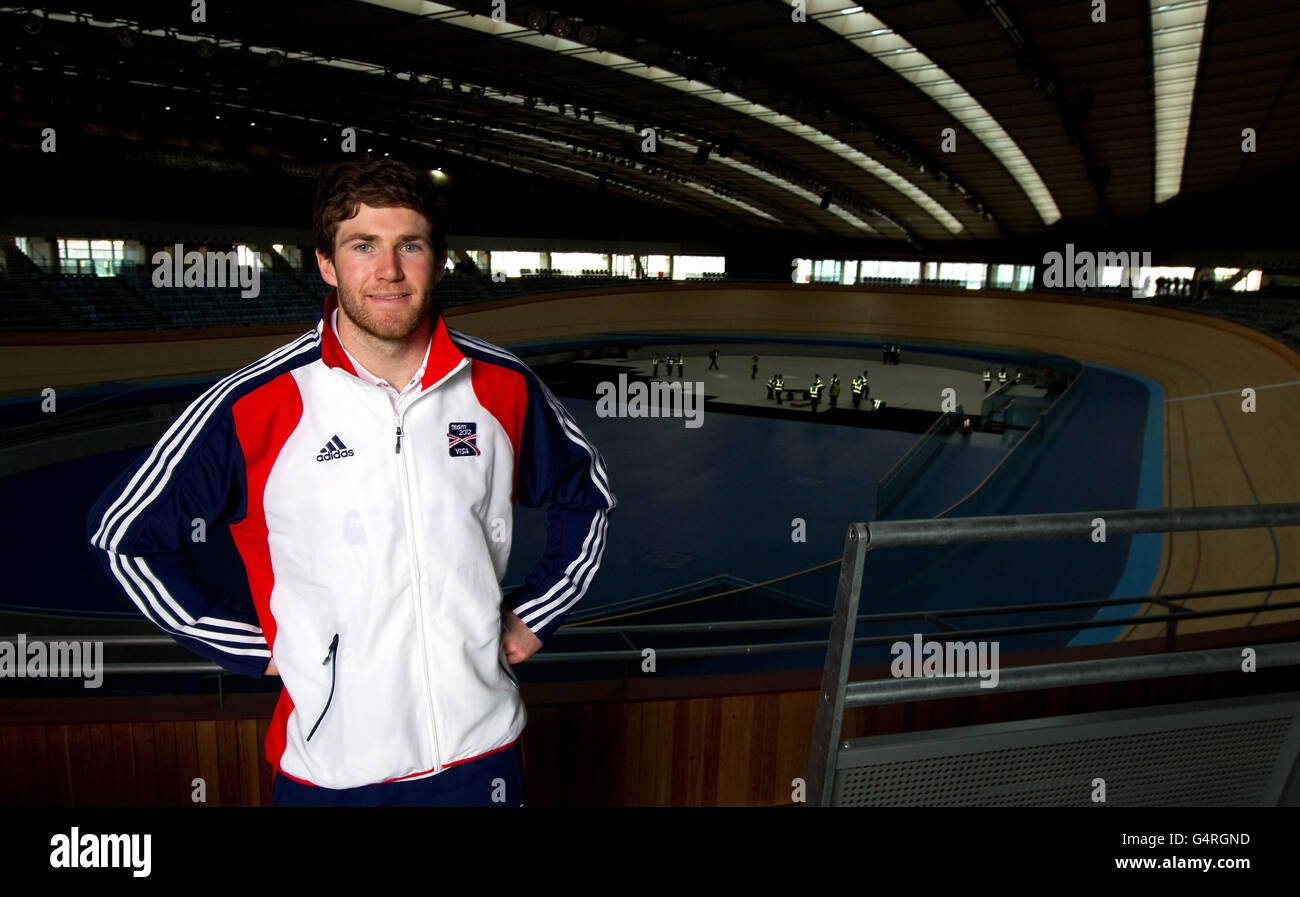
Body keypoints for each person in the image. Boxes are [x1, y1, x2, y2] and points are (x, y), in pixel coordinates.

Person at [85, 157, 616, 807]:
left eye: (409, 246)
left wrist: (534, 615)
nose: (388, 270)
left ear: (440, 260)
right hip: (332, 772)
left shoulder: (503, 385)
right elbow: (124, 535)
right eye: (363, 246)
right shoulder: (256, 404)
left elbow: (587, 498)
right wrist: (263, 648)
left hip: (482, 757)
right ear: (328, 265)